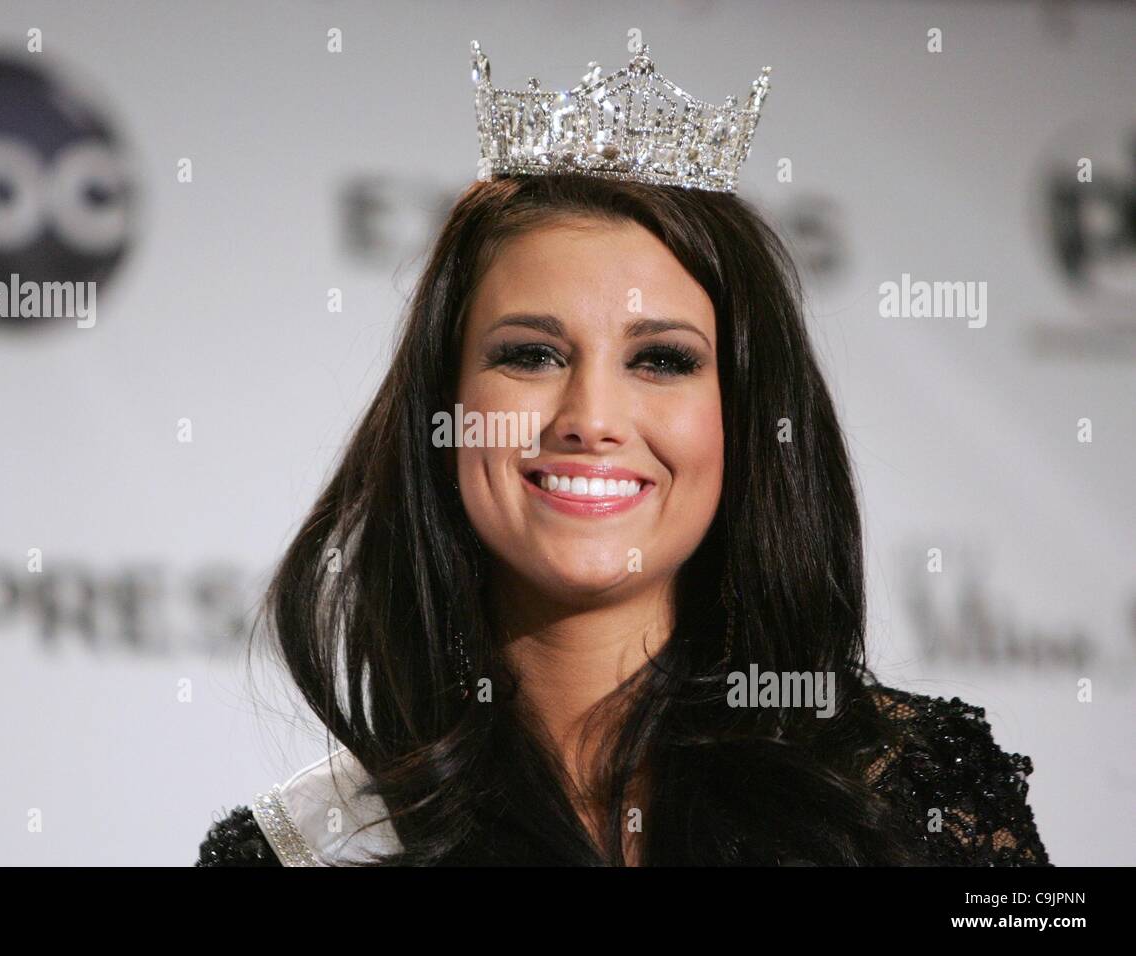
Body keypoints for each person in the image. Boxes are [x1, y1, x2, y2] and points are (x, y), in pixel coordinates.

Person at [196, 42, 1049, 867]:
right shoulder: (306, 851)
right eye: (531, 355)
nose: (591, 420)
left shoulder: (911, 797)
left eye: (662, 361)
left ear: (746, 420)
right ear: (443, 410)